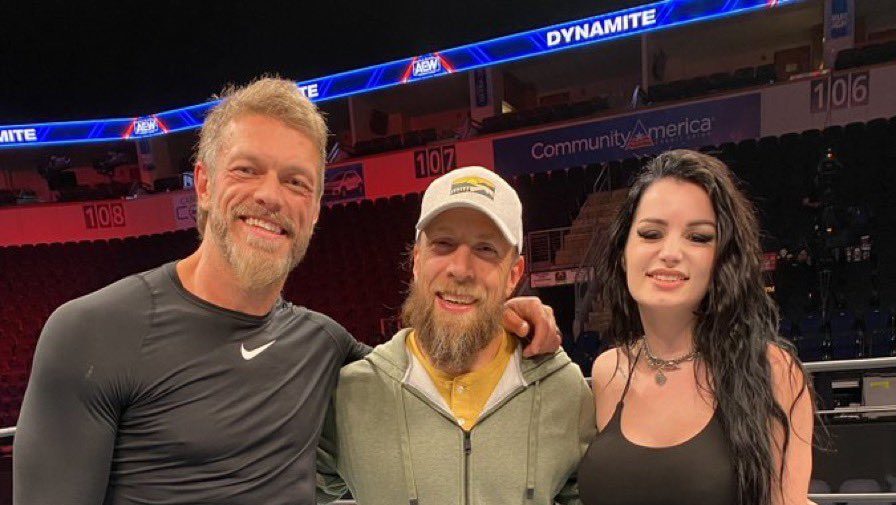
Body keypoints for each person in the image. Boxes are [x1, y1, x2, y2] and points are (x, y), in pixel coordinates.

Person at [13, 78, 560, 505]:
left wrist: (502, 314)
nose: (271, 196)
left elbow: (431, 362)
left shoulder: (323, 346)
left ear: (316, 208)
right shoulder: (92, 333)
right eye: (247, 170)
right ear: (203, 184)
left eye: (296, 181)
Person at [317, 166, 595, 504]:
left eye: (486, 249)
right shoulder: (352, 393)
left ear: (514, 274)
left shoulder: (562, 390)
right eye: (443, 244)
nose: (460, 269)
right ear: (416, 261)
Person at [578, 150, 814, 505]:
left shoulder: (772, 371)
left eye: (698, 237)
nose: (671, 252)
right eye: (651, 233)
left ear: (721, 259)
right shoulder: (607, 371)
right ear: (624, 252)